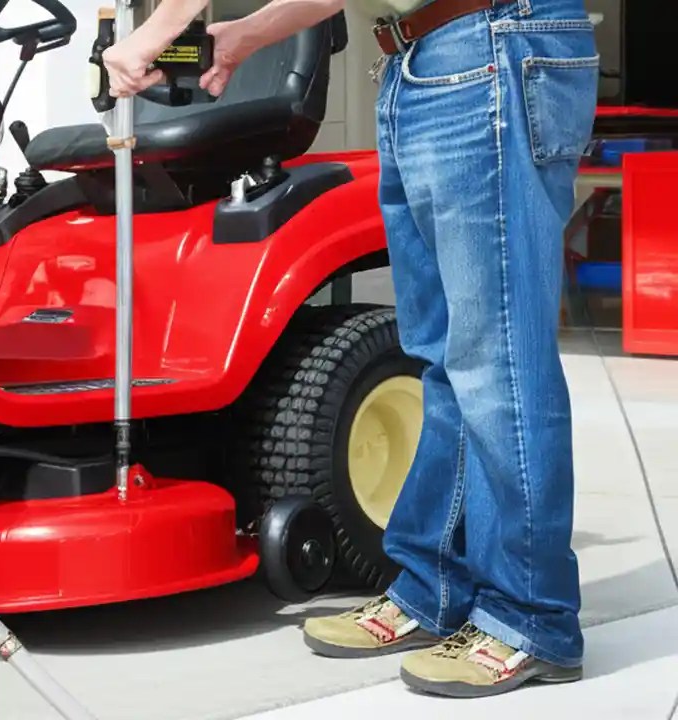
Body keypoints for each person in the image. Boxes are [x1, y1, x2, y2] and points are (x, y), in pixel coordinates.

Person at [103, 0, 598, 699]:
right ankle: (433, 589)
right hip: (420, 62)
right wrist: (247, 34)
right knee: (440, 360)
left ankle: (531, 618)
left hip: (490, 48)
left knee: (496, 364)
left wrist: (156, 29)